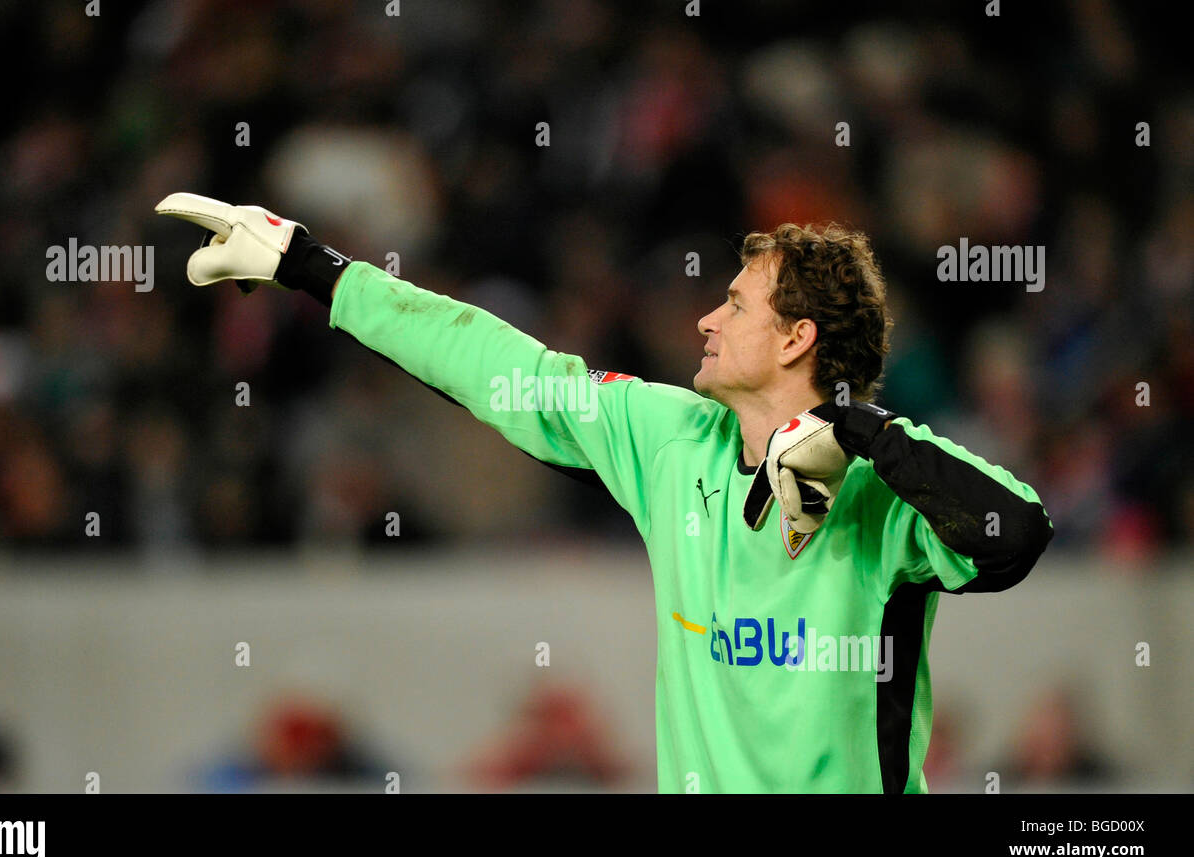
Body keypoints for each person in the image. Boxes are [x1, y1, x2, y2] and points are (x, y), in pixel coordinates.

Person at [155, 194, 1055, 793]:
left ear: (796, 340)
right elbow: (502, 367)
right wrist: (316, 268)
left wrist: (862, 433)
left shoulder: (886, 482)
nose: (707, 317)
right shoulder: (671, 439)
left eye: (736, 305)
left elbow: (1014, 534)